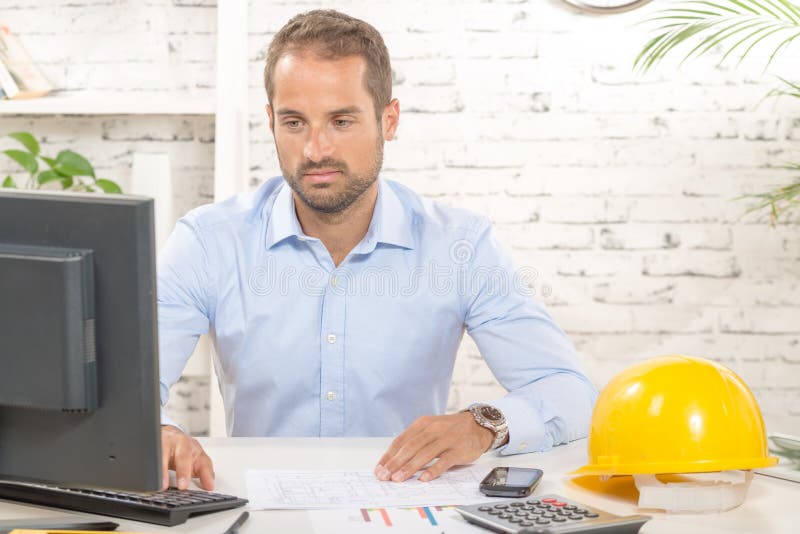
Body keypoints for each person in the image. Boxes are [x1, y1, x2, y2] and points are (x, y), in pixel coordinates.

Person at [157, 9, 597, 492]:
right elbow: (123, 395)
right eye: (294, 122)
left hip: (406, 507)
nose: (315, 149)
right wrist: (156, 432)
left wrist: (482, 424)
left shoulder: (461, 246)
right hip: (260, 509)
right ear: (271, 122)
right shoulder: (208, 241)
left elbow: (571, 392)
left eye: (341, 121)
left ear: (388, 120)